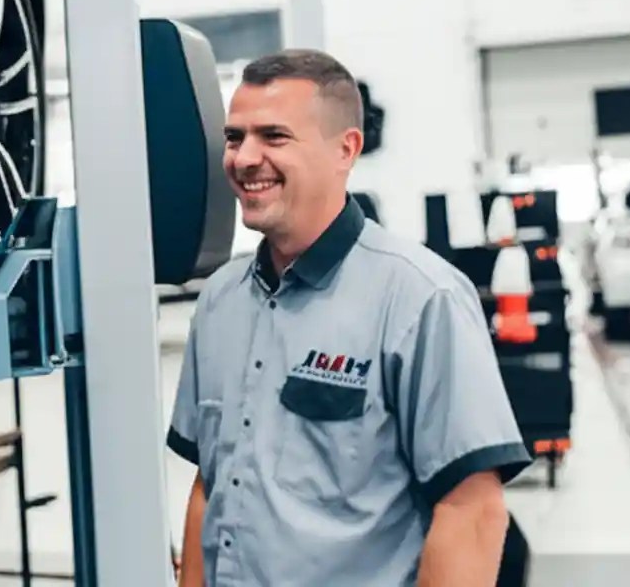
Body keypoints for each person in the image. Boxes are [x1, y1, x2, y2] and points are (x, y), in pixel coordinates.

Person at [168, 49, 531, 587]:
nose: (244, 159)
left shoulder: (420, 298)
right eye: (235, 138)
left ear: (346, 149)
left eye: (274, 136)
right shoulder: (221, 300)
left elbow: (472, 512)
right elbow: (210, 484)